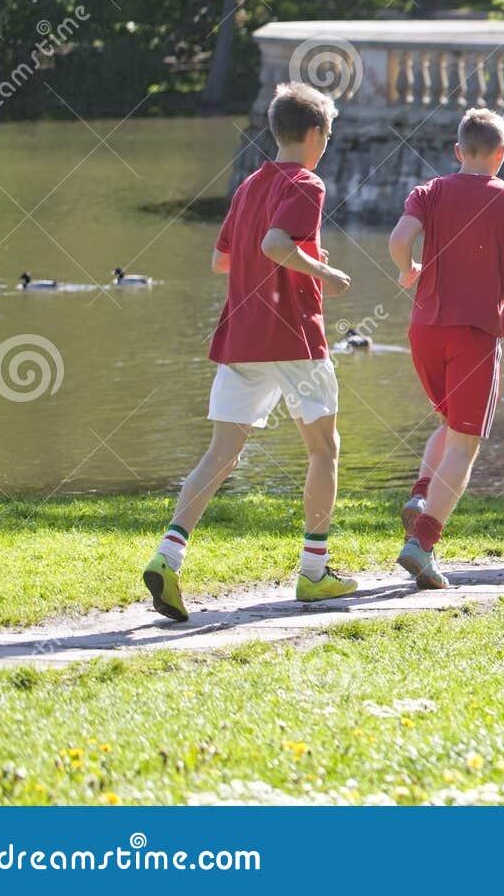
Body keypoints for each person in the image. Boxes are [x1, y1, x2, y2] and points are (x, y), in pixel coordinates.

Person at [142, 82, 356, 622]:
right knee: (324, 450)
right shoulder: (307, 183)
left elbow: (223, 260)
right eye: (327, 134)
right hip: (294, 336)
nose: (326, 143)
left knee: (222, 453)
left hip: (242, 335)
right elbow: (274, 245)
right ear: (315, 134)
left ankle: (168, 556)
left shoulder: (249, 185)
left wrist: (294, 255)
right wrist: (324, 271)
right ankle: (314, 572)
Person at [388, 108, 504, 589]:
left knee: (449, 422)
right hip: (475, 333)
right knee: (466, 442)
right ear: (502, 154)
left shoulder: (431, 191)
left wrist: (408, 269)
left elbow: (399, 240)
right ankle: (423, 543)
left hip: (424, 328)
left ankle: (421, 493)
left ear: (458, 151)